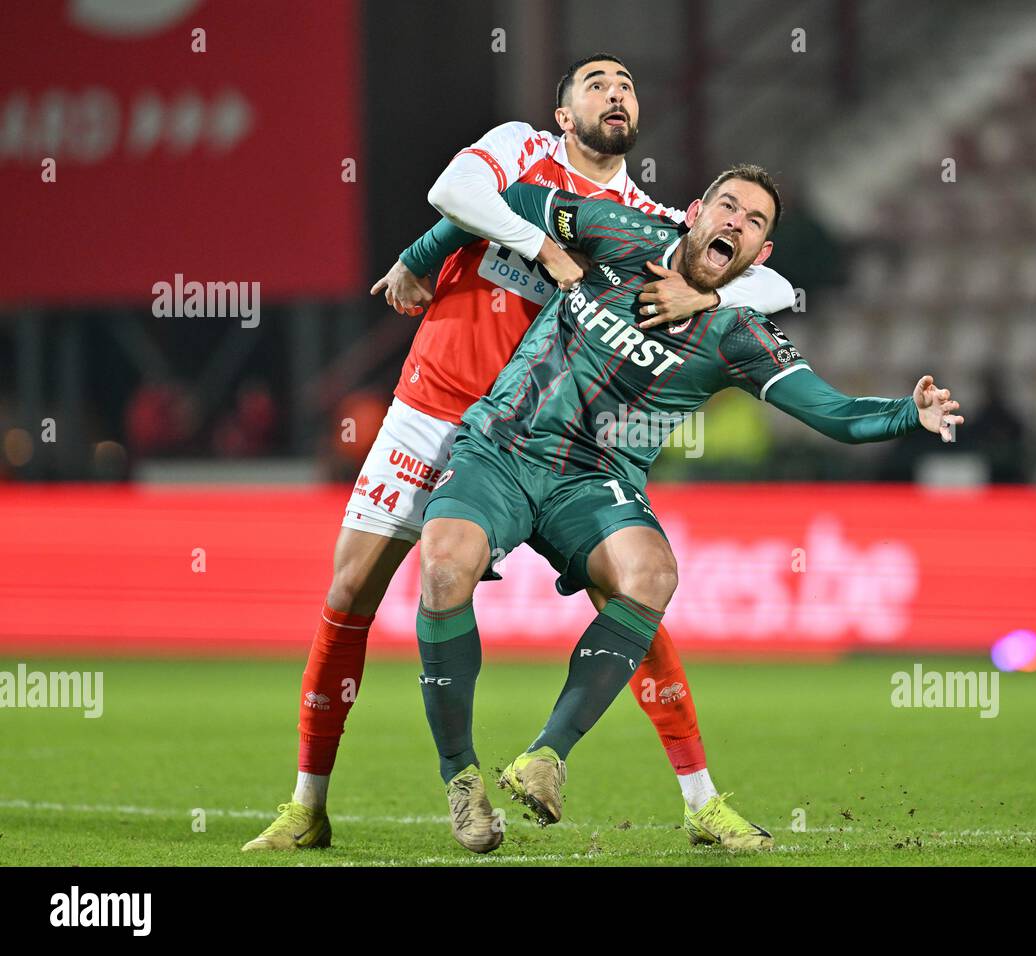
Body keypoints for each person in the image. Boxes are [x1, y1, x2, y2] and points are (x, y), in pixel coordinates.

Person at [243, 54, 793, 854]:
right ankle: (306, 807)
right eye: (597, 82)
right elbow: (456, 197)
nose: (616, 92)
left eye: (628, 85)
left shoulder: (642, 217)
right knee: (350, 594)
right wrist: (508, 247)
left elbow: (769, 289)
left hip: (546, 436)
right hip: (430, 410)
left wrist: (703, 293)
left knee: (632, 603)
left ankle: (702, 802)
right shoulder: (518, 150)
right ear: (563, 113)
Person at [412, 164, 963, 852]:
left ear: (758, 255)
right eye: (728, 206)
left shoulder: (738, 335)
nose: (735, 221)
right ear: (696, 211)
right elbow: (509, 198)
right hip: (503, 445)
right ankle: (462, 779)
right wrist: (447, 257)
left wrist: (906, 414)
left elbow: (837, 415)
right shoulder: (618, 232)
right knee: (441, 570)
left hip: (594, 478)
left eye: (754, 221)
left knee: (653, 575)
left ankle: (546, 756)